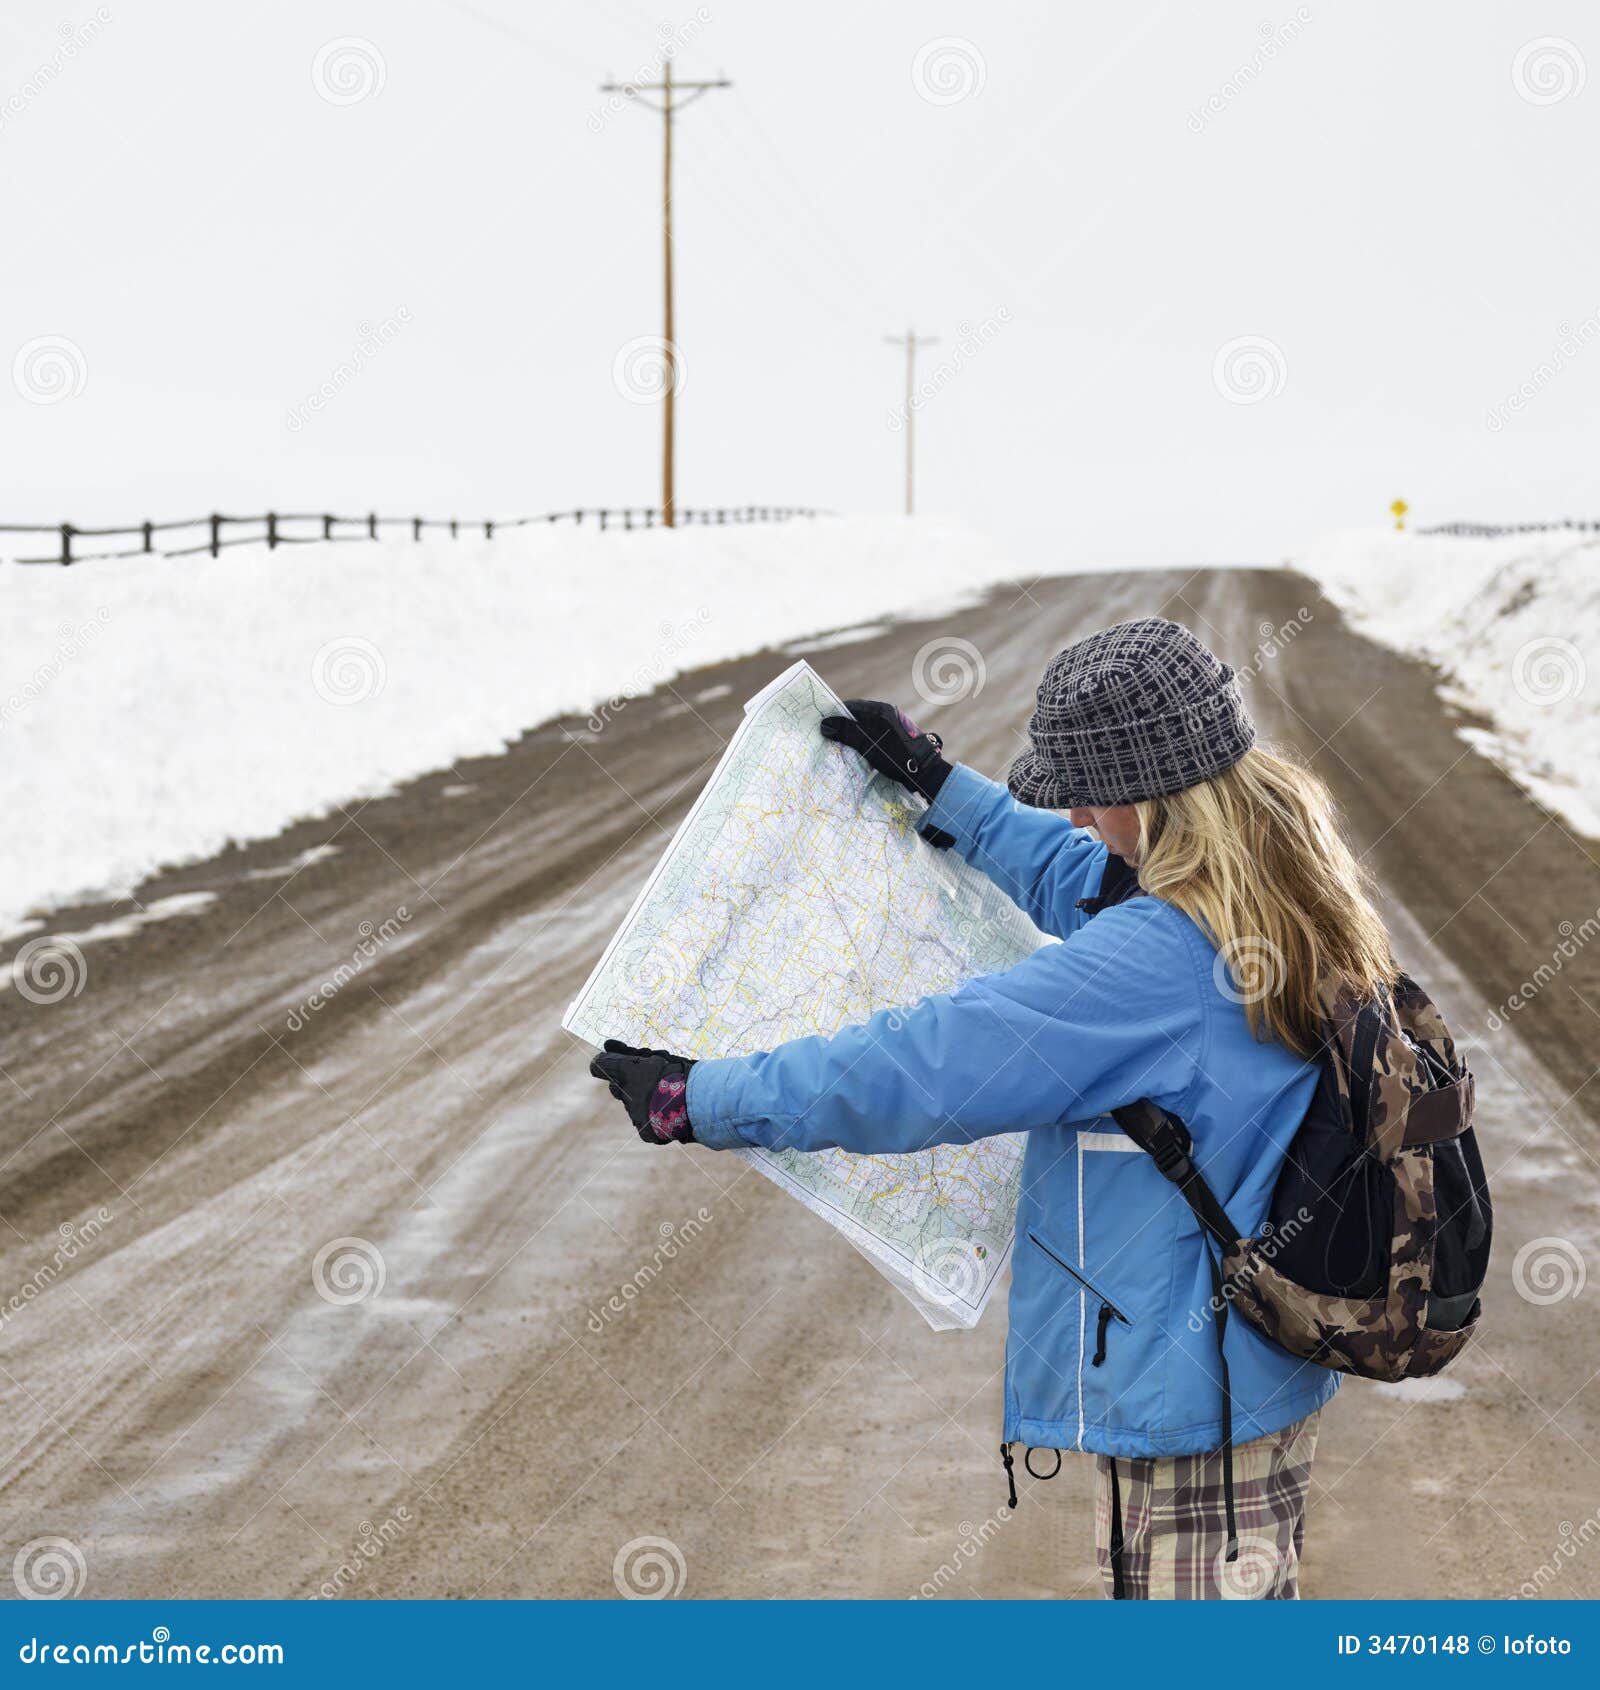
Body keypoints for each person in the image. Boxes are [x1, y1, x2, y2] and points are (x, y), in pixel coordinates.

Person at [590, 617, 1402, 1599]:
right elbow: (1094, 883)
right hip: (1245, 1375)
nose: (1073, 817)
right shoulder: (1272, 872)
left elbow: (930, 1063)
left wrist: (704, 1095)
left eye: (1088, 796)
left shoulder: (1156, 966)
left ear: (1149, 794)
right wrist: (944, 789)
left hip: (1198, 1409)